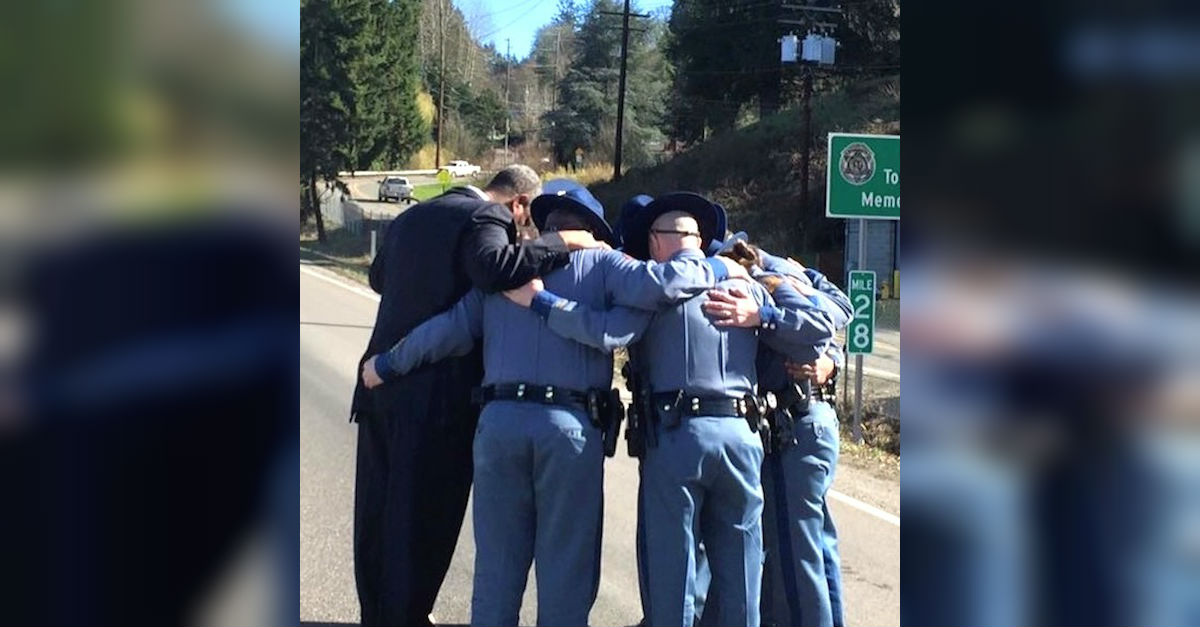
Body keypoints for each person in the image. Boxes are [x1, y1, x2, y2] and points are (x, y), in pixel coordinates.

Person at [360, 187, 747, 626]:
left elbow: (447, 330)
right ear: (596, 231)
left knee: (497, 571)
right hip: (569, 432)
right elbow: (661, 288)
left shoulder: (507, 273)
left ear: (546, 226)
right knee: (566, 569)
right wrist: (715, 262)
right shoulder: (605, 264)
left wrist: (387, 364)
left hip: (498, 426)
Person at [505, 193, 835, 627]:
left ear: (660, 242)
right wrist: (764, 317)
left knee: (673, 577)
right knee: (741, 573)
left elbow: (605, 331)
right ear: (697, 239)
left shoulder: (655, 290)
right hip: (743, 438)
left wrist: (543, 304)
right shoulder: (749, 287)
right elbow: (818, 328)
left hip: (677, 436)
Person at [349, 166, 608, 627]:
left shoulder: (414, 216)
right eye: (522, 226)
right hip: (437, 395)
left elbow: (378, 278)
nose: (520, 234)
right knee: (426, 515)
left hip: (379, 385)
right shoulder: (486, 216)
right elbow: (494, 268)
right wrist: (561, 243)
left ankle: (377, 612)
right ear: (520, 204)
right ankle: (405, 613)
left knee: (377, 510)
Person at [703, 234, 852, 627]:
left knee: (794, 556)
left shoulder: (770, 283)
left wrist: (768, 313)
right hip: (800, 421)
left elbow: (825, 320)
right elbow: (838, 310)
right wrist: (831, 357)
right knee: (812, 548)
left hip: (795, 420)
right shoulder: (791, 276)